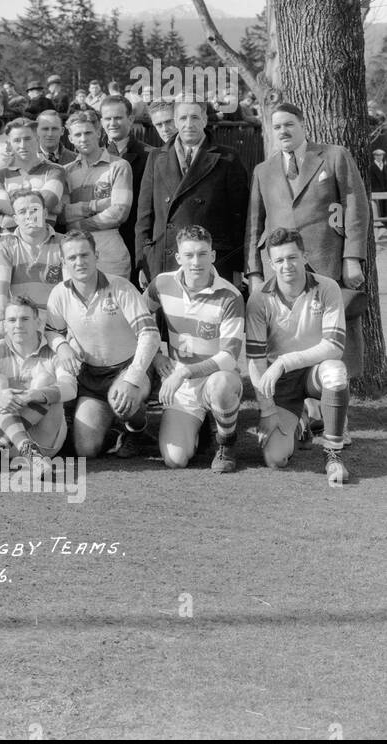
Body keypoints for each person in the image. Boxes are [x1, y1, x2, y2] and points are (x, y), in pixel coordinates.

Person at [246, 228, 351, 483]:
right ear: (271, 264)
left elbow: (334, 345)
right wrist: (267, 410)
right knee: (275, 459)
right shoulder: (259, 299)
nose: (286, 265)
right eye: (279, 260)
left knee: (336, 372)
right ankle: (301, 420)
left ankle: (333, 456)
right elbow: (256, 361)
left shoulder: (327, 287)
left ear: (304, 256)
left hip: (315, 372)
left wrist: (284, 361)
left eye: (292, 257)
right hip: (282, 382)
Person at [46, 231, 159, 458]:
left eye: (85, 254)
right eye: (73, 257)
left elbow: (149, 334)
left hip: (129, 366)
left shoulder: (121, 287)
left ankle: (138, 429)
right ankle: (116, 430)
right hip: (92, 376)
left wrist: (132, 377)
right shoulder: (59, 294)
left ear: (96, 255)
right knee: (86, 450)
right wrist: (62, 346)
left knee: (121, 400)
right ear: (63, 262)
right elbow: (51, 331)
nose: (80, 262)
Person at [143, 227, 245, 472]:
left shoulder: (231, 296)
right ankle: (200, 426)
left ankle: (226, 442)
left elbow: (229, 357)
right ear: (179, 258)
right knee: (175, 459)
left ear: (212, 255)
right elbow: (138, 317)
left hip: (215, 376)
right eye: (188, 255)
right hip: (184, 387)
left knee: (220, 385)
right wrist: (156, 355)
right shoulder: (162, 284)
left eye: (202, 254)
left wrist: (183, 372)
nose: (196, 262)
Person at [244, 103, 370, 293]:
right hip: (281, 270)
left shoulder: (334, 156)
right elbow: (253, 227)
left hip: (328, 265)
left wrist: (352, 258)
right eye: (277, 127)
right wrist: (253, 273)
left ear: (303, 125)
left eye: (289, 125)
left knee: (332, 321)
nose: (283, 131)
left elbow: (355, 207)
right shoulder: (262, 171)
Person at [135, 98, 248, 281]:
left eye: (195, 117)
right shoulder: (156, 158)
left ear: (204, 120)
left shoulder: (228, 158)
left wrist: (236, 265)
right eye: (183, 118)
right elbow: (144, 216)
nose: (189, 124)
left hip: (211, 262)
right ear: (176, 121)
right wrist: (143, 262)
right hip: (165, 259)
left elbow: (239, 218)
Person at [0, 296, 77, 476]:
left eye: (25, 319)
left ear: (37, 322)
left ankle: (12, 444)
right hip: (8, 449)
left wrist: (34, 395)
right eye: (12, 320)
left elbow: (71, 388)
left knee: (45, 381)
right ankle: (26, 448)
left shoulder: (54, 353)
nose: (18, 325)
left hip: (45, 444)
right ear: (5, 325)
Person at [61, 109, 133, 279]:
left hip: (109, 250)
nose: (83, 139)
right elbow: (62, 215)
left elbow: (119, 213)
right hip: (75, 250)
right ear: (70, 139)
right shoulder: (65, 171)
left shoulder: (119, 166)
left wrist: (78, 225)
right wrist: (99, 205)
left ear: (99, 133)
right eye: (77, 135)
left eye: (88, 133)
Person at [0, 190, 66, 319]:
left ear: (45, 213)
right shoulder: (5, 245)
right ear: (15, 219)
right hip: (21, 323)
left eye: (35, 210)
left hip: (57, 322)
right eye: (22, 212)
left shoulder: (64, 243)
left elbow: (71, 291)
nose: (29, 216)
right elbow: (0, 292)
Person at [98, 95, 151, 273]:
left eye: (118, 117)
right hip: (99, 241)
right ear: (101, 121)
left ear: (130, 119)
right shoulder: (92, 154)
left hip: (133, 239)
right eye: (108, 118)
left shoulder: (150, 155)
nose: (113, 123)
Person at [0, 118, 68, 230]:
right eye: (17, 140)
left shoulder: (55, 170)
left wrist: (5, 210)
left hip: (45, 241)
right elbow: (2, 220)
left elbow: (48, 201)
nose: (23, 145)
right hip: (9, 243)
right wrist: (47, 210)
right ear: (9, 144)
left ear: (37, 139)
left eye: (27, 139)